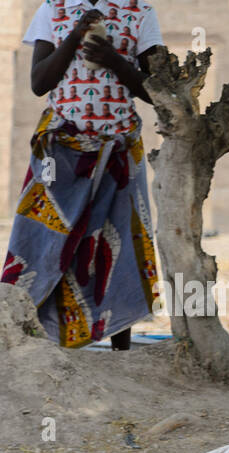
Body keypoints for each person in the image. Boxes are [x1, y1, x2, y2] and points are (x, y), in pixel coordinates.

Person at [2, 0, 165, 350]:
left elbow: (155, 90)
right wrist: (75, 34)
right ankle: (27, 339)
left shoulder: (139, 12)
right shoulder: (54, 9)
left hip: (118, 145)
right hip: (62, 146)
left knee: (118, 238)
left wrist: (116, 61)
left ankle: (121, 346)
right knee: (46, 239)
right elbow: (39, 82)